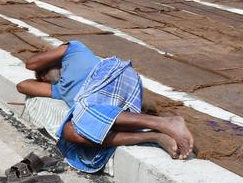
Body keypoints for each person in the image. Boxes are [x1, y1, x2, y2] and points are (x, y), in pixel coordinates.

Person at [15, 41, 194, 173]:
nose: (41, 76)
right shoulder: (60, 89)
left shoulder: (75, 52)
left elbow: (30, 63)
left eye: (42, 71)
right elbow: (22, 85)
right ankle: (153, 136)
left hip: (109, 77)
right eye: (40, 77)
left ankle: (164, 122)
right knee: (70, 131)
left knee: (83, 111)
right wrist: (45, 78)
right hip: (99, 107)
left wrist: (50, 57)